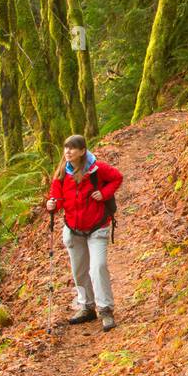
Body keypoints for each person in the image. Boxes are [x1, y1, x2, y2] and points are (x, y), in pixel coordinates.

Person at [46, 135, 123, 331]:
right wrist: (52, 205)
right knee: (79, 271)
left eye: (72, 149)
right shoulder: (62, 173)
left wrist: (104, 194)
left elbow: (117, 178)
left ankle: (105, 310)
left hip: (97, 226)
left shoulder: (97, 169)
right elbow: (57, 199)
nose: (68, 152)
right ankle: (87, 307)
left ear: (82, 151)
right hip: (73, 229)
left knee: (98, 267)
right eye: (66, 148)